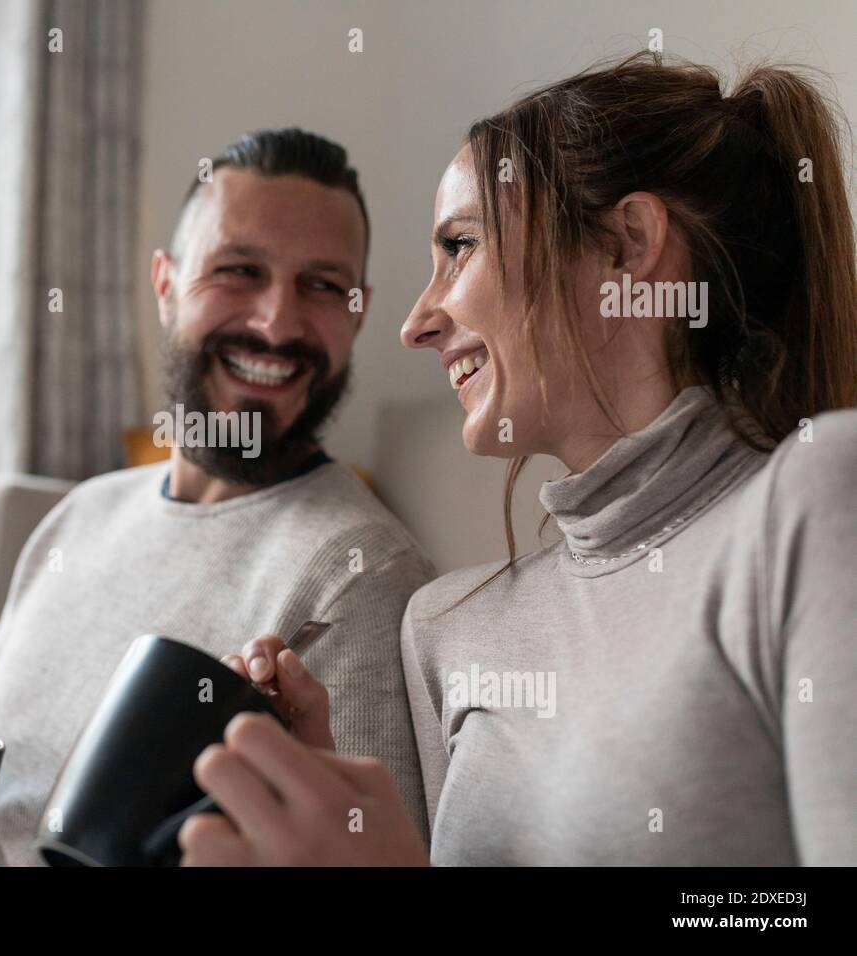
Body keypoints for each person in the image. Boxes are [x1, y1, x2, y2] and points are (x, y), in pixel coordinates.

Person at [182, 53, 857, 866]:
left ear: (627, 245)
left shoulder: (817, 500)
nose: (417, 323)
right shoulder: (447, 627)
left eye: (459, 246)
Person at [0, 128, 435, 866]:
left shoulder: (359, 575)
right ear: (166, 285)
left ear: (358, 312)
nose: (276, 322)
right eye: (238, 270)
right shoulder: (80, 516)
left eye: (324, 285)